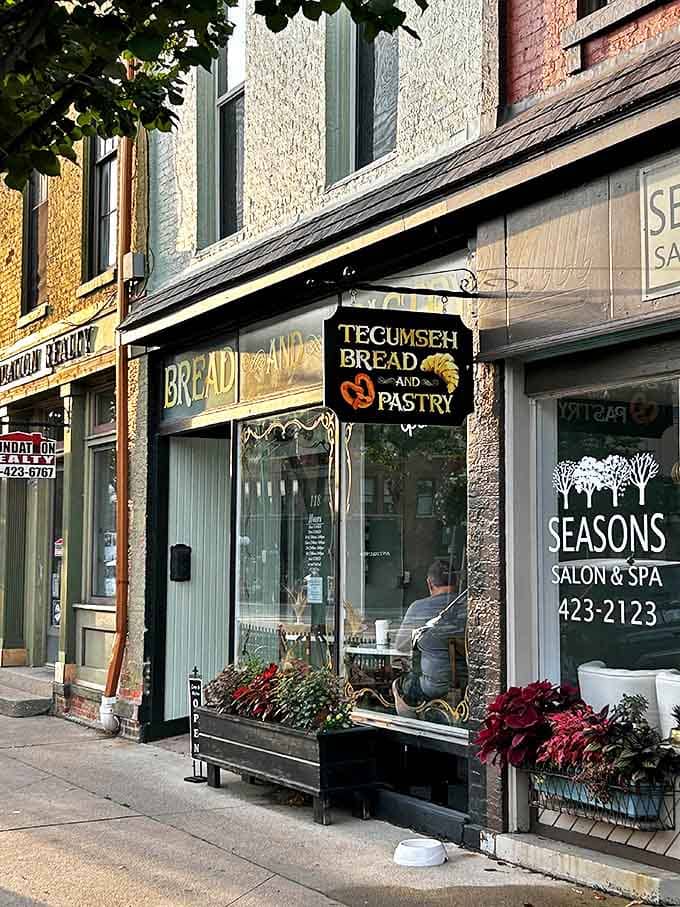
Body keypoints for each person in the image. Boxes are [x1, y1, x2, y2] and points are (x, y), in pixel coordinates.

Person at [395, 560, 467, 701]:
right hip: (467, 686)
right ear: (457, 581)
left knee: (399, 684)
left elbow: (401, 645)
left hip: (432, 689)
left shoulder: (418, 608)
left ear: (429, 583)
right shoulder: (468, 605)